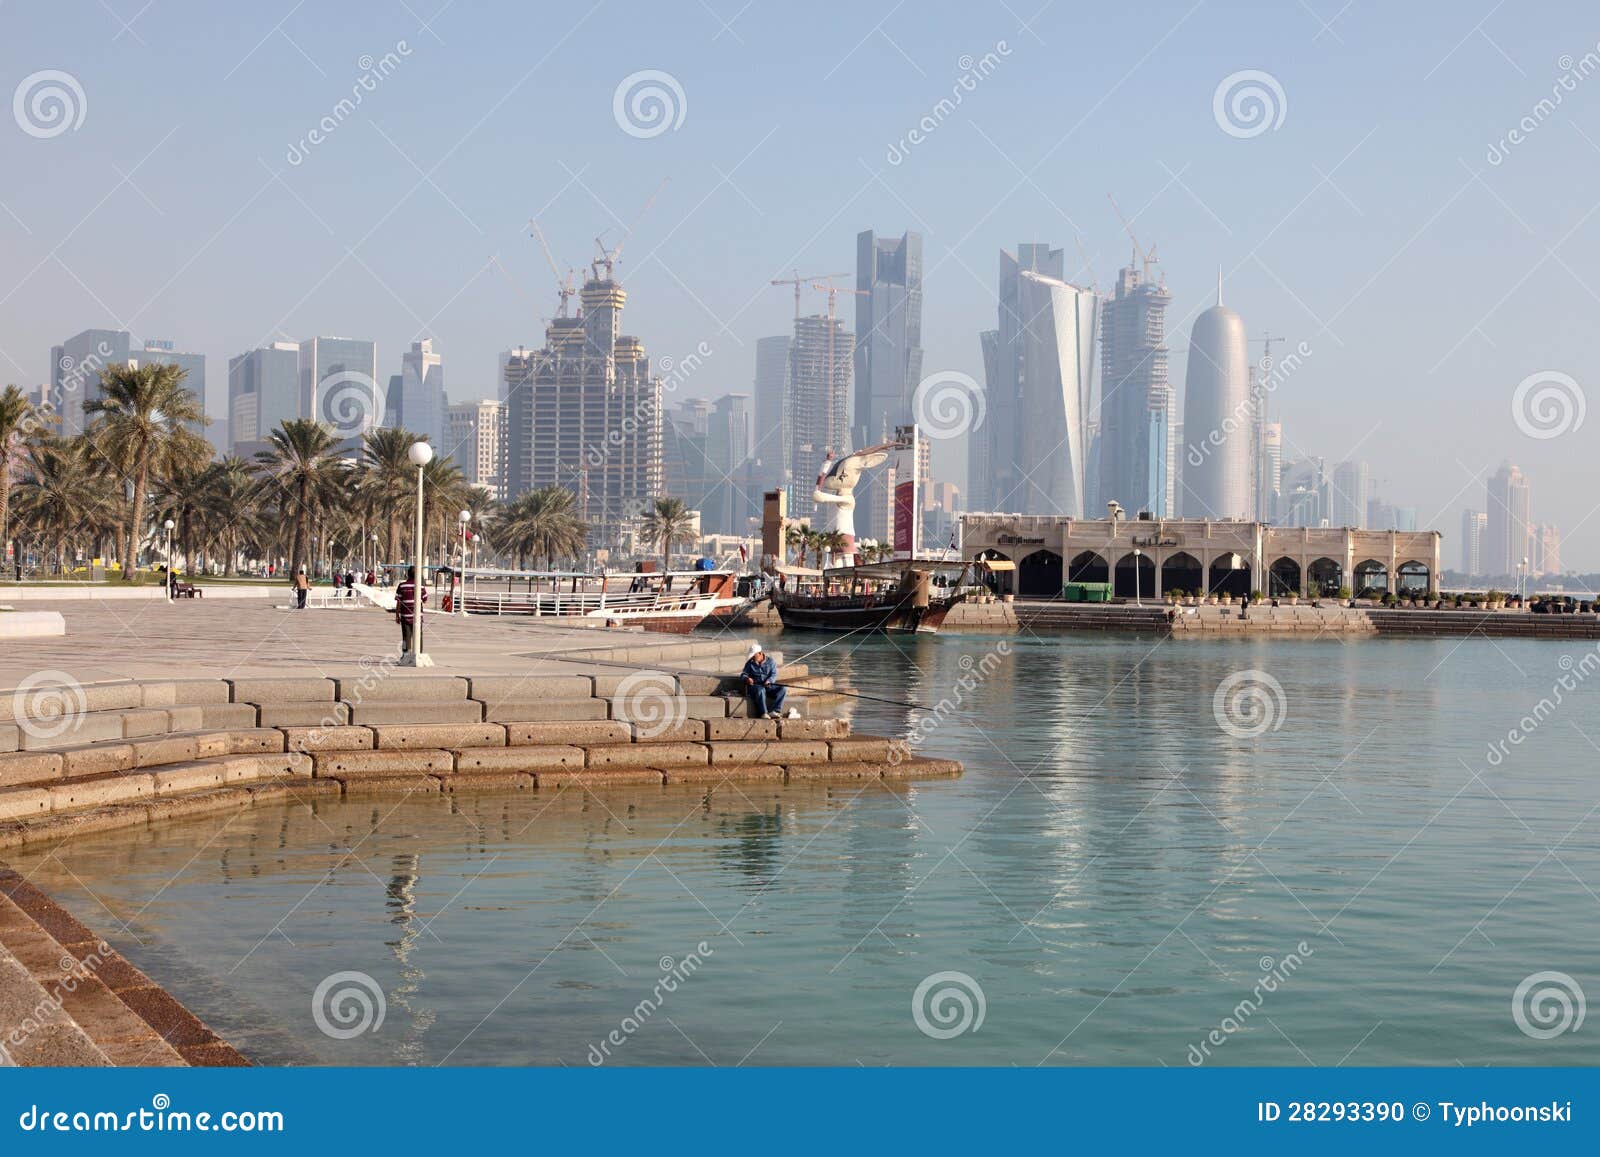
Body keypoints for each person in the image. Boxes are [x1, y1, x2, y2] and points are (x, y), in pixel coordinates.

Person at [741, 641, 786, 720]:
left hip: (768, 686)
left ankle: (775, 711)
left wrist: (769, 681)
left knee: (783, 688)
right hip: (755, 687)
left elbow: (774, 674)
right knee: (761, 690)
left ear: (760, 653)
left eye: (754, 655)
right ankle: (764, 713)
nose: (752, 657)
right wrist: (747, 679)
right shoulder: (749, 663)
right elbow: (743, 674)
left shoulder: (771, 662)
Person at [395, 565, 427, 653]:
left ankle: (405, 654)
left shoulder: (402, 586)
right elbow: (425, 600)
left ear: (407, 574)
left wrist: (397, 615)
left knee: (405, 636)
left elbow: (399, 602)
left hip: (405, 616)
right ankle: (419, 653)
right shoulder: (421, 586)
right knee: (418, 636)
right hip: (418, 616)